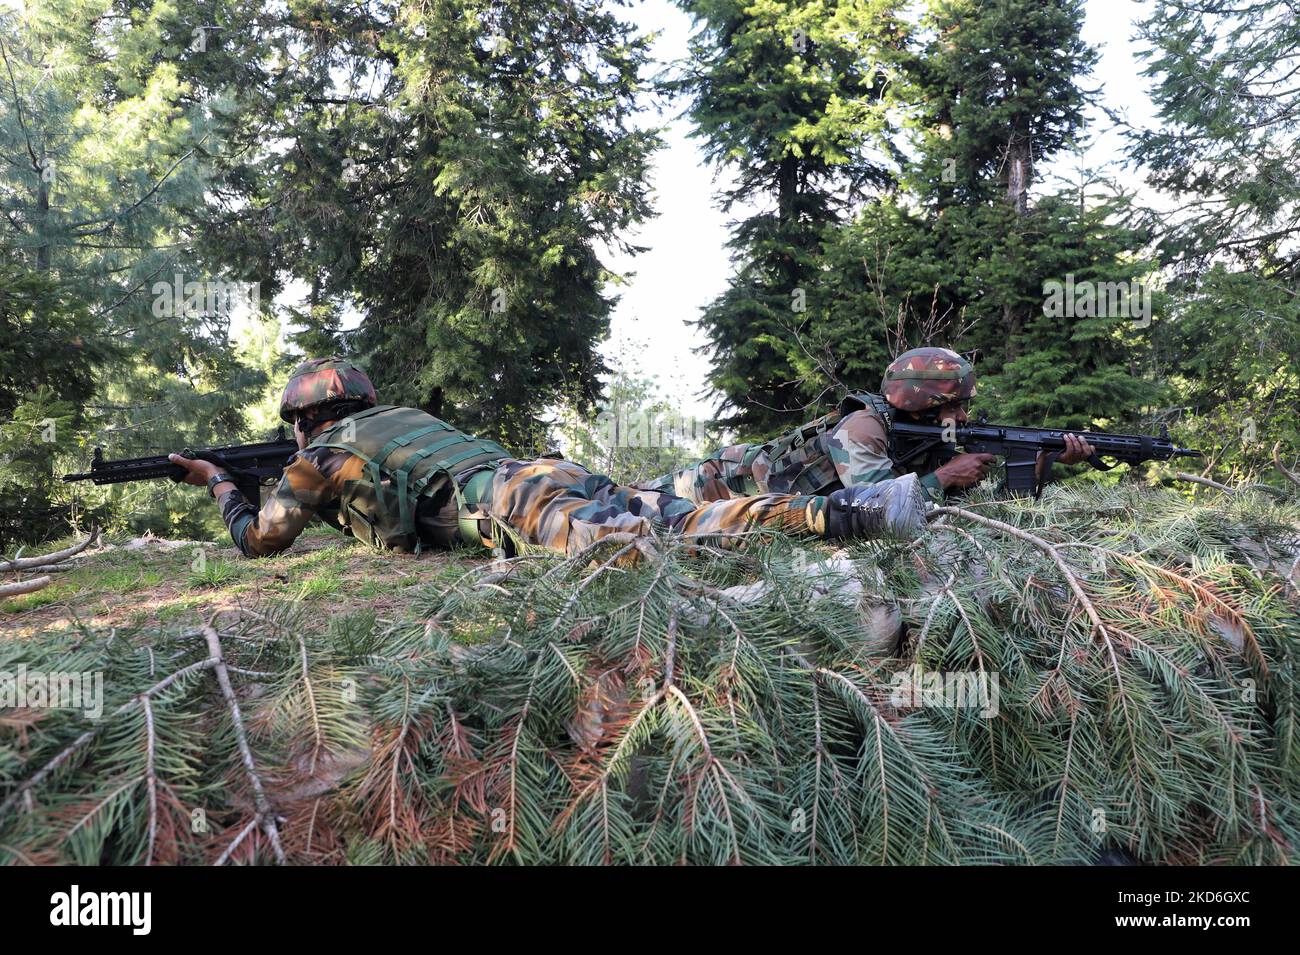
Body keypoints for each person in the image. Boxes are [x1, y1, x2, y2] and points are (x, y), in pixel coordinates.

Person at [167, 357, 931, 559]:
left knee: (659, 540)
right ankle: (848, 509)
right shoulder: (400, 420)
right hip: (545, 473)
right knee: (670, 511)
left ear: (305, 420)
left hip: (516, 503)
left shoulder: (324, 452)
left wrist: (221, 488)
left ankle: (846, 515)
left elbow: (260, 539)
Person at [639, 346, 1096, 506]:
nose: (963, 417)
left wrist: (1038, 468)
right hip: (724, 481)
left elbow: (981, 510)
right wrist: (943, 478)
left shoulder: (929, 435)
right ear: (922, 402)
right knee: (633, 506)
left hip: (773, 506)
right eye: (954, 406)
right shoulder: (863, 427)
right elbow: (871, 506)